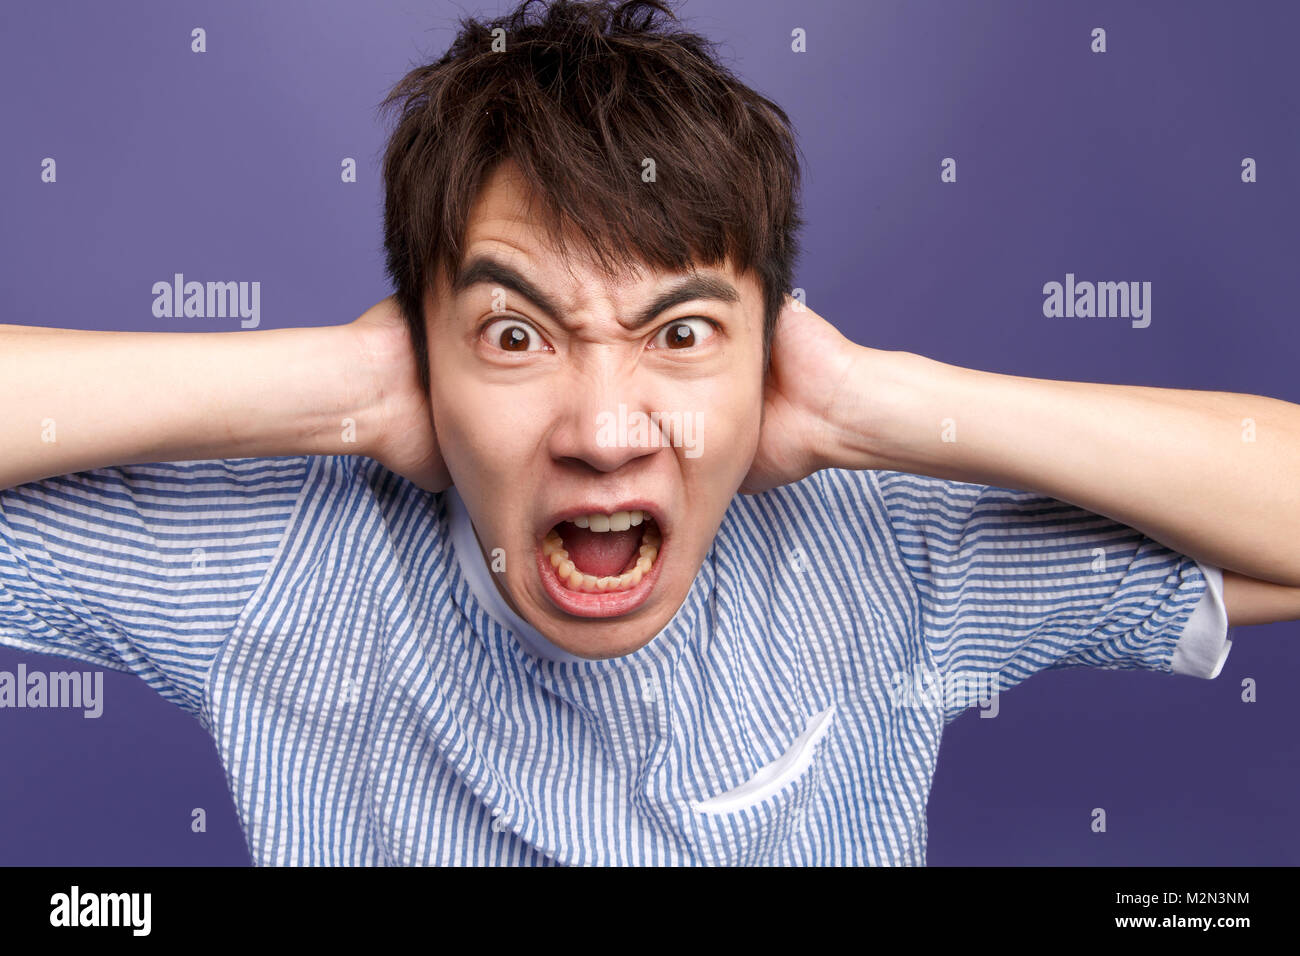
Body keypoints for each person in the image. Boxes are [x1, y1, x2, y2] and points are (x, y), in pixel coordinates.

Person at [2, 0, 1298, 866]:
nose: (607, 429)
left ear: (772, 358)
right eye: (516, 336)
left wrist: (883, 408)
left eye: (681, 334)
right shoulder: (286, 570)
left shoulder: (883, 562)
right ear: (423, 354)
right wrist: (334, 383)